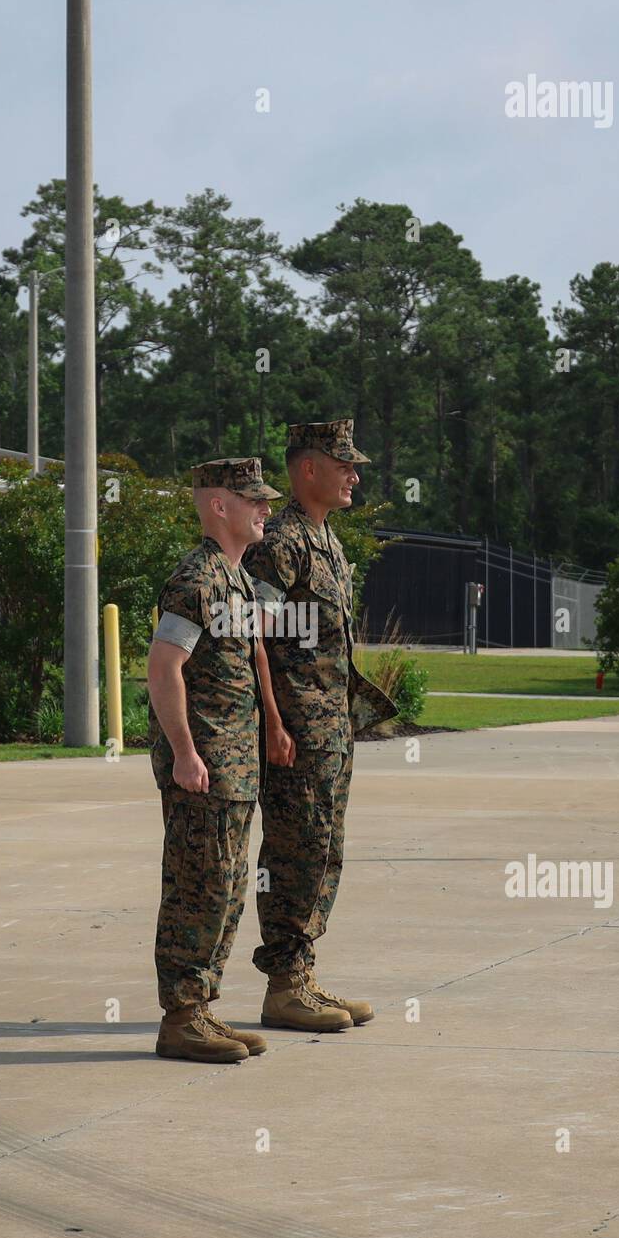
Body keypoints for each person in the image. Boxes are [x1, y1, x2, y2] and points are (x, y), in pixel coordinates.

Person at [243, 420, 396, 1032]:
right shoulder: (279, 542)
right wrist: (274, 724)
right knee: (295, 849)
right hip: (297, 733)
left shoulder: (326, 540)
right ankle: (283, 985)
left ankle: (301, 974)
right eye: (344, 465)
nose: (355, 475)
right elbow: (250, 633)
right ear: (308, 469)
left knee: (324, 849)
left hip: (330, 729)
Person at [148, 456, 287, 1063]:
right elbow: (163, 666)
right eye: (253, 500)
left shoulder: (234, 579)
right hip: (203, 769)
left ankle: (201, 1008)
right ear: (218, 506)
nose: (265, 509)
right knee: (198, 888)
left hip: (232, 768)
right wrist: (184, 752)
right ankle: (181, 1017)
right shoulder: (197, 579)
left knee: (227, 889)